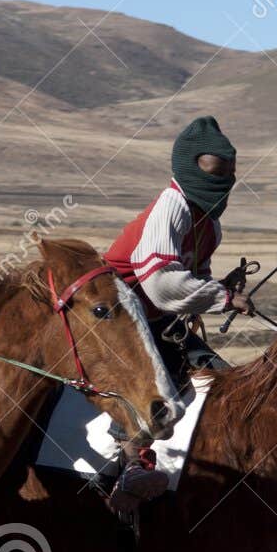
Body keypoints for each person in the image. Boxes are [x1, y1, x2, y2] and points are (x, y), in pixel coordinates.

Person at [103, 115, 253, 383]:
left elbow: (191, 282)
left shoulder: (209, 224)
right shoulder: (172, 207)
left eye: (229, 173)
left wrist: (222, 286)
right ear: (190, 167)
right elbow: (163, 285)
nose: (224, 180)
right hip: (115, 322)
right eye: (216, 172)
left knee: (223, 382)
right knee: (160, 397)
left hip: (157, 323)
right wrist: (225, 298)